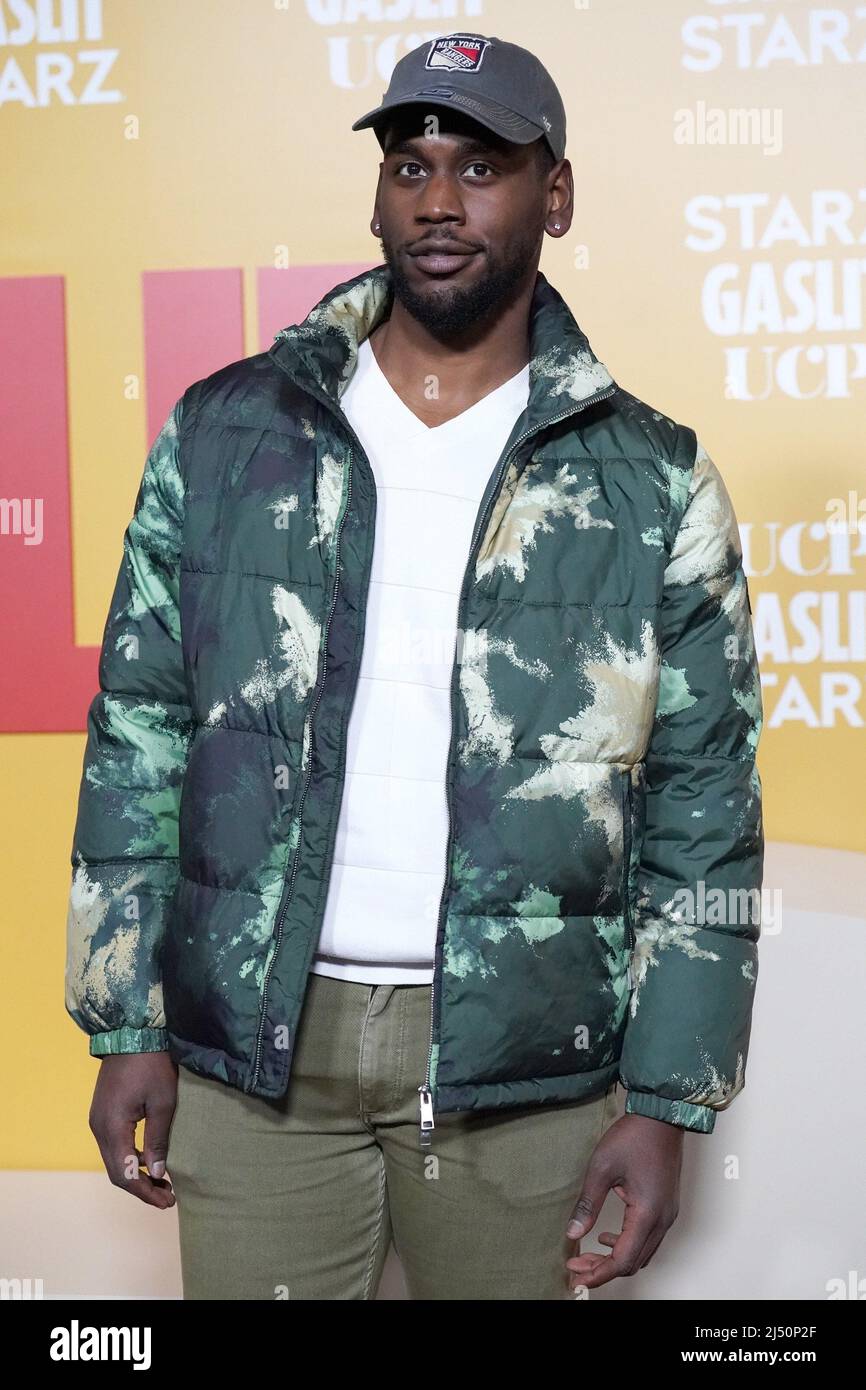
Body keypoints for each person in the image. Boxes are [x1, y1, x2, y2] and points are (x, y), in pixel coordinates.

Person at [65, 31, 764, 1300]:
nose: (437, 202)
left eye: (482, 165)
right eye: (409, 163)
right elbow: (141, 733)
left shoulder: (655, 483)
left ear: (555, 194)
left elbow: (701, 815)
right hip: (257, 1055)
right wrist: (125, 1021)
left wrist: (666, 1098)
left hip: (526, 1064)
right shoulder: (225, 432)